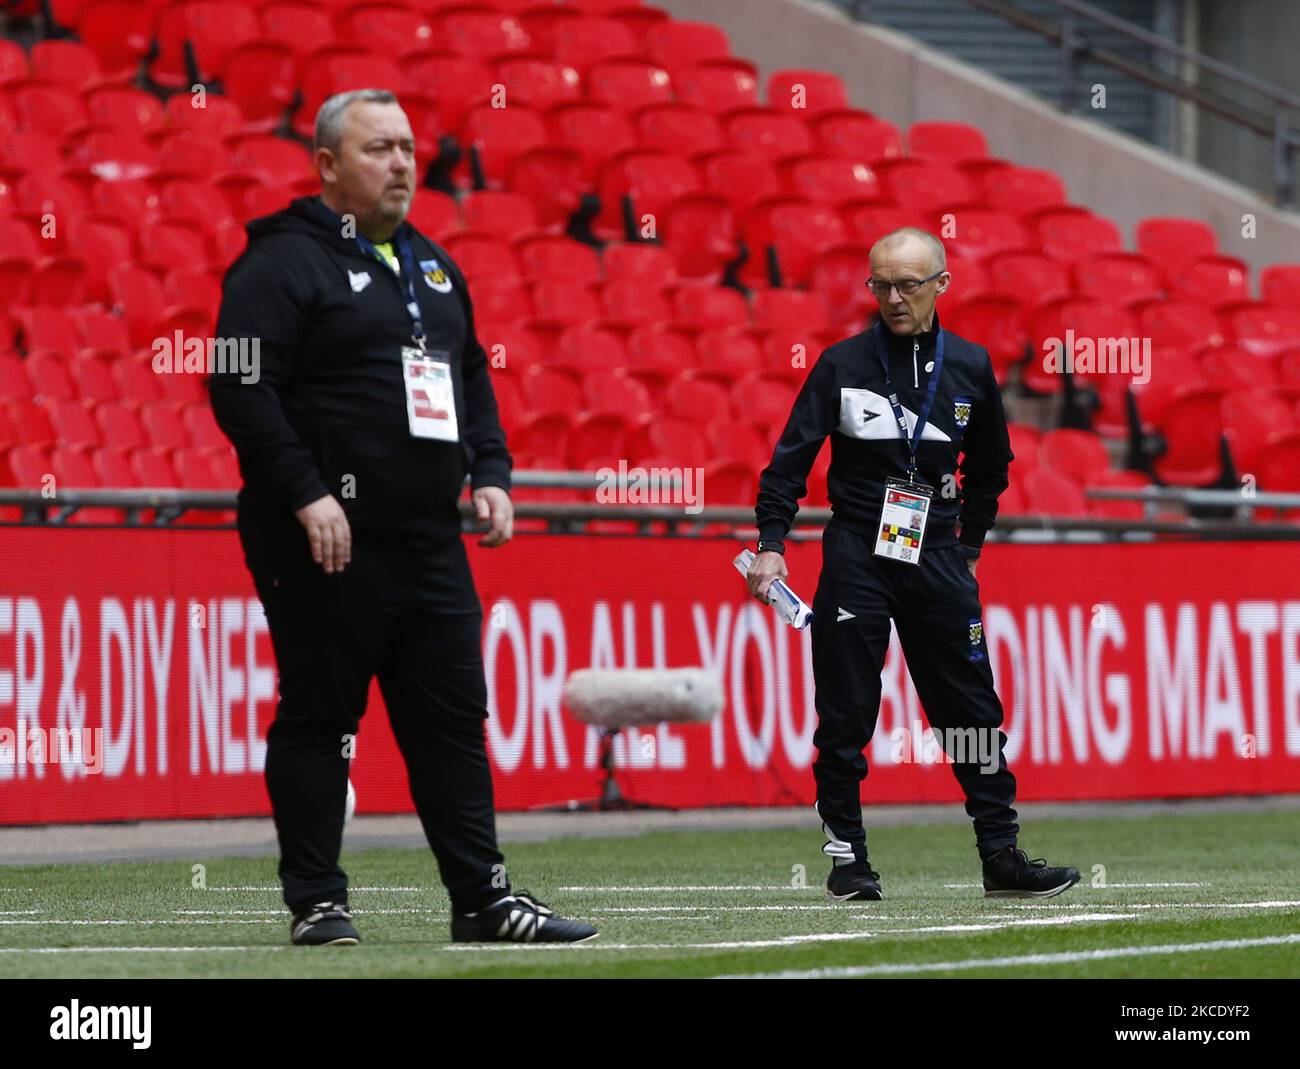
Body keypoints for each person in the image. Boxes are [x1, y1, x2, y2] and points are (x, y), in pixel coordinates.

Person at [209, 88, 597, 945]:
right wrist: (308, 491)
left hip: (428, 539)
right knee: (320, 715)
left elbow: (470, 379)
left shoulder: (429, 264)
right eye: (379, 149)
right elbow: (238, 385)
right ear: (327, 166)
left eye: (409, 150)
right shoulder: (281, 261)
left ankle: (484, 900)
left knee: (454, 720)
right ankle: (317, 900)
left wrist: (490, 471)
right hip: (325, 538)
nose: (400, 165)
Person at [746, 228, 1080, 902]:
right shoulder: (840, 364)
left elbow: (991, 469)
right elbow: (787, 465)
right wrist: (772, 542)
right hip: (857, 553)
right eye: (881, 285)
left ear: (941, 285)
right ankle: (848, 858)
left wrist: (970, 549)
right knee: (846, 712)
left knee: (972, 711)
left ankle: (1001, 854)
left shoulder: (970, 364)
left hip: (938, 555)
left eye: (907, 285)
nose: (893, 298)